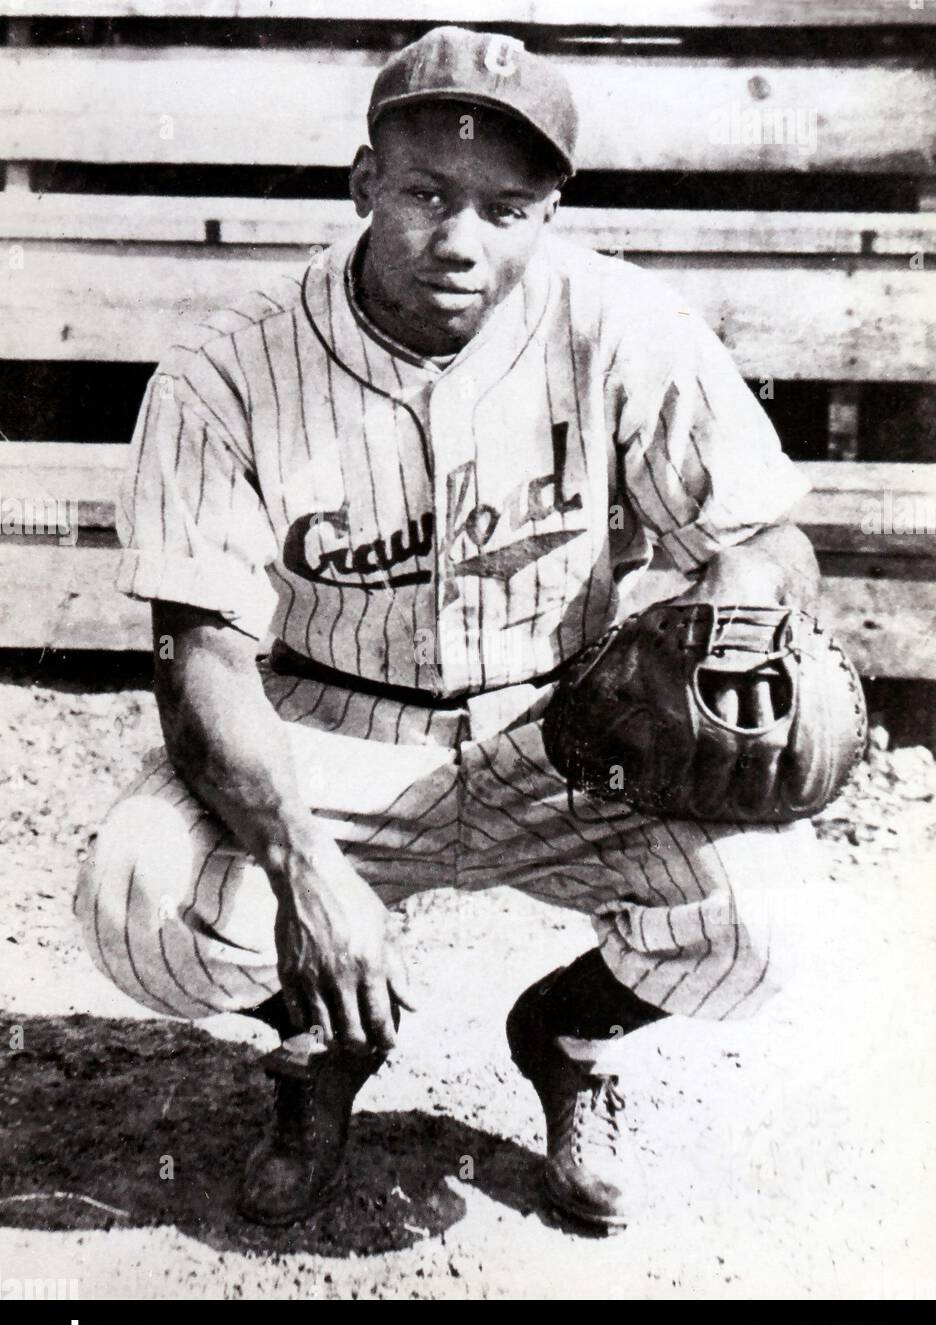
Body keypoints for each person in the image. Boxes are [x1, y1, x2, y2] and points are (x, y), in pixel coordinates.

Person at [76, 26, 819, 1230]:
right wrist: (307, 873)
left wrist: (738, 612)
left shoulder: (622, 325)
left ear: (551, 212)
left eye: (507, 209)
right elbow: (197, 656)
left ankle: (568, 1039)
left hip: (565, 729)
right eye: (427, 193)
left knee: (757, 933)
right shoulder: (228, 371)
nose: (462, 239)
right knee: (139, 903)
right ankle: (321, 1042)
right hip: (327, 726)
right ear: (363, 182)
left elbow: (771, 542)